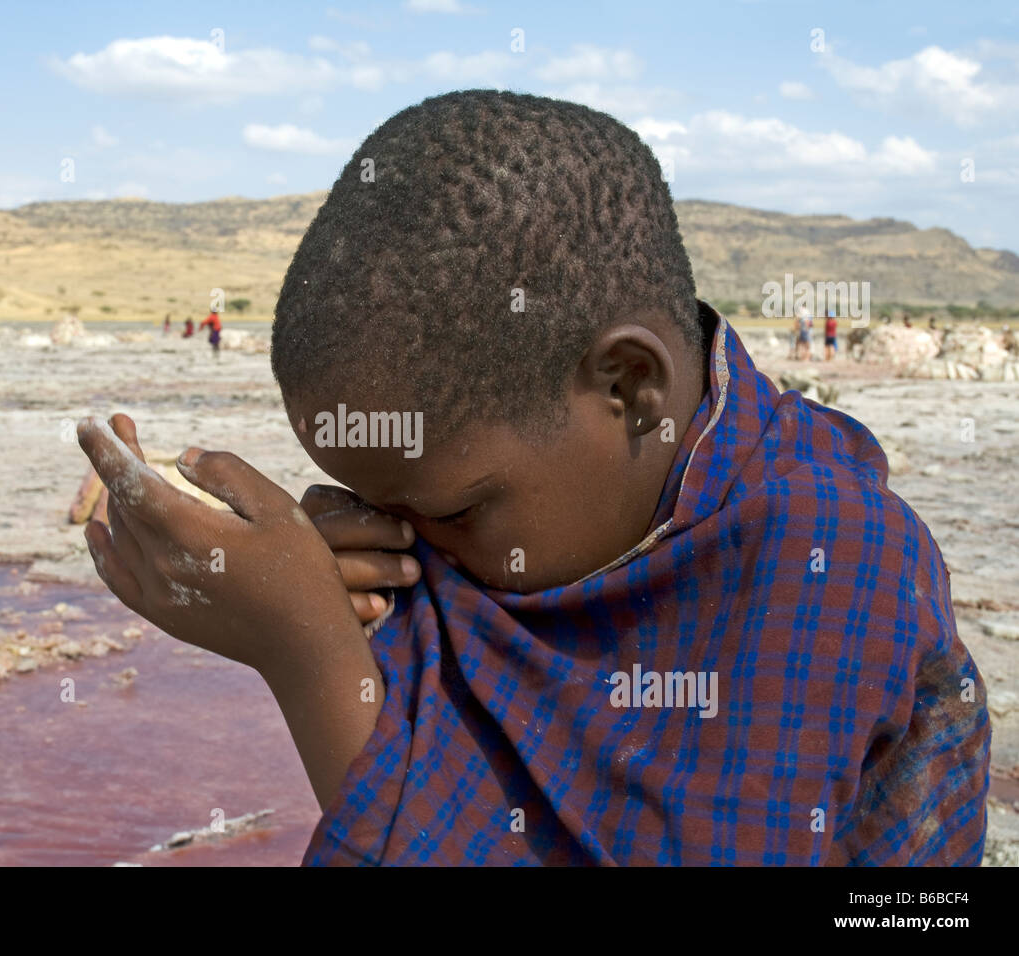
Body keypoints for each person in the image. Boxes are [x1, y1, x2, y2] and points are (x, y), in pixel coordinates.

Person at [76, 91, 989, 866]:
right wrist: (308, 584)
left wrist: (308, 654)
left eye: (451, 510)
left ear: (631, 389)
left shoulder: (831, 561)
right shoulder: (505, 518)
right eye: (363, 506)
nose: (395, 543)